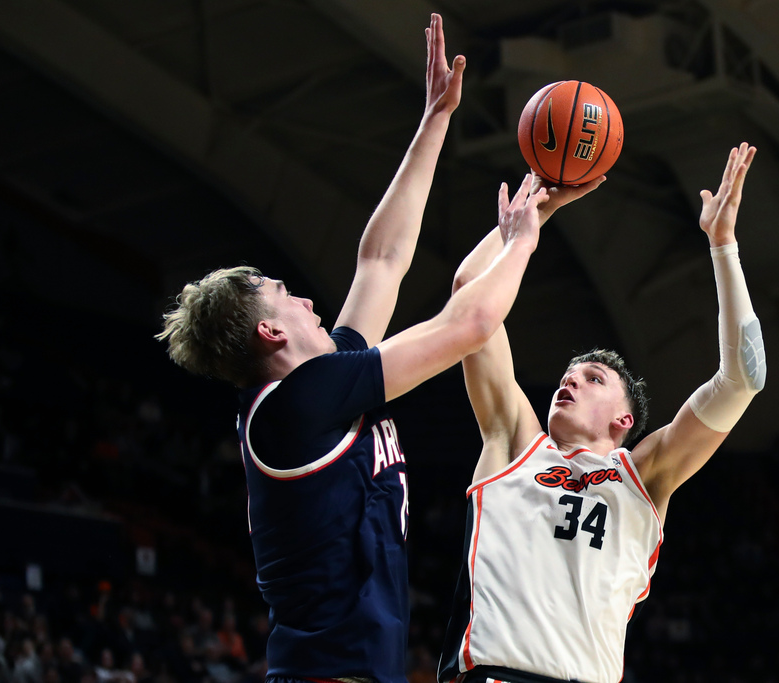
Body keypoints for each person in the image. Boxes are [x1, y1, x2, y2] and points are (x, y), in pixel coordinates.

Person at [156, 15, 600, 683]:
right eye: (284, 295)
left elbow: (382, 259)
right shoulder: (298, 404)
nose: (306, 299)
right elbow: (470, 322)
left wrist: (435, 119)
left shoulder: (319, 384)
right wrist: (524, 242)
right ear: (269, 333)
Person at [439, 144, 766, 683]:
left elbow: (744, 377)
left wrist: (724, 246)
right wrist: (534, 218)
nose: (570, 379)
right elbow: (468, 299)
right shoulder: (512, 441)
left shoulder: (645, 476)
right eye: (570, 373)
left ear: (623, 421)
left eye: (594, 379)